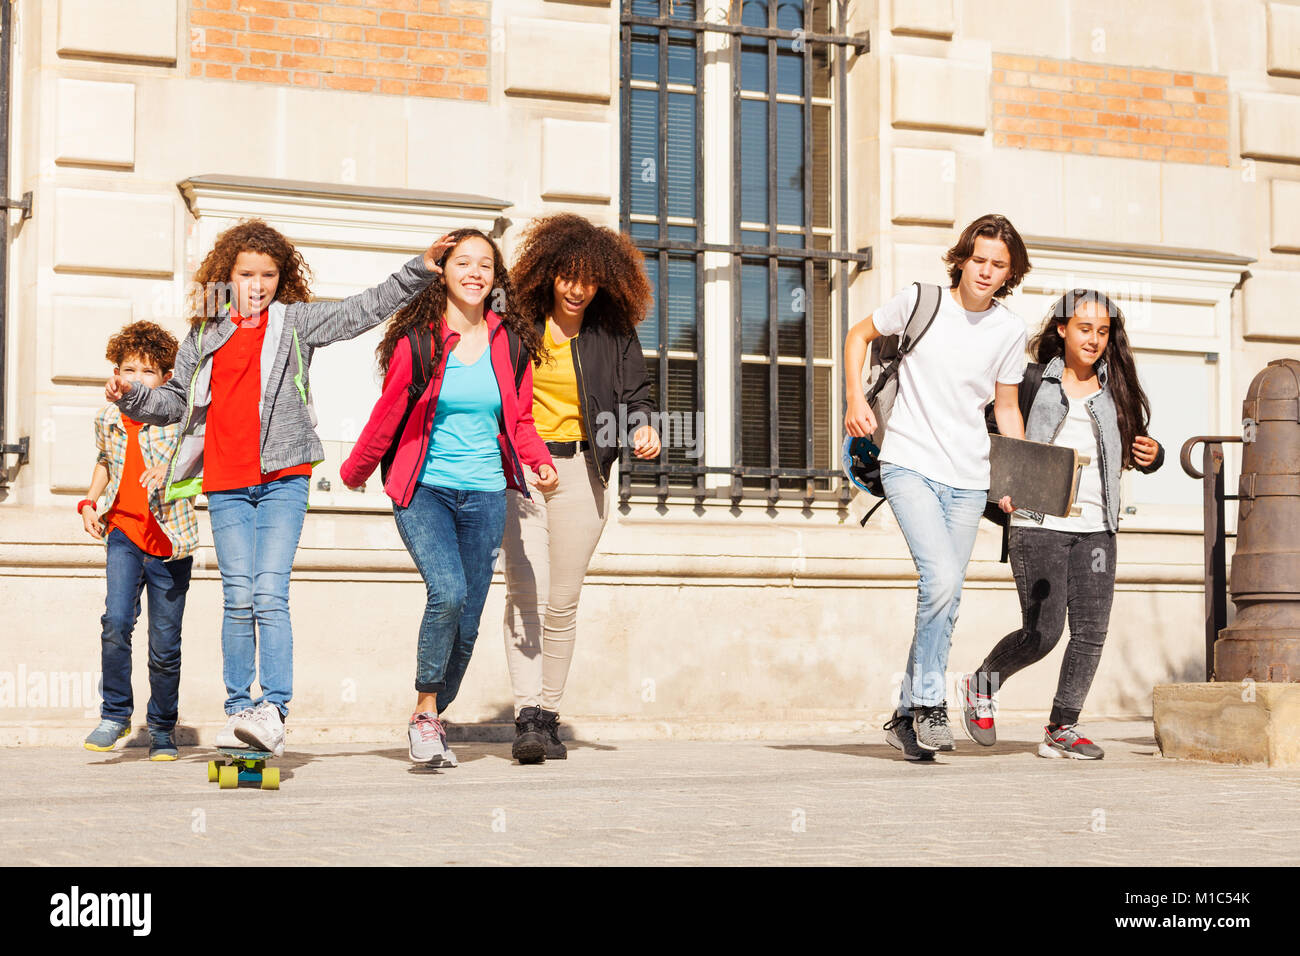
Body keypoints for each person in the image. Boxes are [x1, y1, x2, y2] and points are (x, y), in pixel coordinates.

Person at [108, 219, 446, 757]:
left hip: (284, 479)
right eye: (247, 274)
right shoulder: (204, 335)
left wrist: (418, 271)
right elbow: (172, 402)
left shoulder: (295, 323)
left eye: (268, 274)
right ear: (228, 276)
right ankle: (240, 710)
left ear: (280, 278)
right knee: (237, 598)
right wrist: (131, 398)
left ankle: (275, 710)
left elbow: (363, 309)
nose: (257, 285)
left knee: (269, 594)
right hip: (225, 484)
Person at [339, 229, 557, 768]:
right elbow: (389, 412)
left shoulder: (511, 342)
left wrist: (541, 461)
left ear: (495, 278)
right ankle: (424, 713)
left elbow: (520, 419)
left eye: (486, 264)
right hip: (424, 490)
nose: (475, 272)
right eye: (464, 262)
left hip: (485, 494)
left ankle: (434, 713)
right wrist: (356, 469)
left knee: (469, 618)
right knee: (449, 592)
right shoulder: (420, 340)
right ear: (445, 271)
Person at [843, 213, 1031, 760]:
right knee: (942, 579)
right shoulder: (921, 299)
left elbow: (1006, 407)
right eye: (979, 259)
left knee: (946, 598)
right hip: (908, 462)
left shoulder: (1008, 329)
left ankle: (905, 716)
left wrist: (1013, 477)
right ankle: (928, 704)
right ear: (963, 258)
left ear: (1009, 272)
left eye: (999, 265)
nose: (987, 271)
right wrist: (855, 399)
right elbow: (859, 336)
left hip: (970, 478)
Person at [959, 289, 1165, 760]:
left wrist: (1155, 455)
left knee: (1091, 631)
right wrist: (1003, 487)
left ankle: (1062, 727)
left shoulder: (1119, 390)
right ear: (1062, 329)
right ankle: (981, 684)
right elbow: (992, 440)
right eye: (1084, 328)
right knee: (1043, 632)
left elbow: (1138, 447)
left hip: (1098, 529)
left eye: (1102, 331)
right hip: (1039, 523)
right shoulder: (1031, 382)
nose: (1093, 339)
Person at [500, 213, 658, 764]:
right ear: (549, 273)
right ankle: (525, 715)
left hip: (581, 473)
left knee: (562, 603)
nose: (576, 288)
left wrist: (642, 427)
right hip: (522, 470)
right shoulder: (516, 320)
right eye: (568, 276)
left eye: (588, 279)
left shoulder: (611, 331)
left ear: (603, 282)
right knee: (527, 593)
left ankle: (547, 717)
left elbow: (637, 392)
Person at [80, 322, 199, 760]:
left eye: (147, 371)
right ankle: (115, 713)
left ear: (166, 378)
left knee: (164, 645)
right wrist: (89, 502)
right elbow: (105, 461)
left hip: (169, 541)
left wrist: (169, 472)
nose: (135, 378)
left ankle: (163, 728)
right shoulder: (108, 416)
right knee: (115, 622)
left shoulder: (179, 417)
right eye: (128, 368)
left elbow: (201, 468)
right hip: (123, 533)